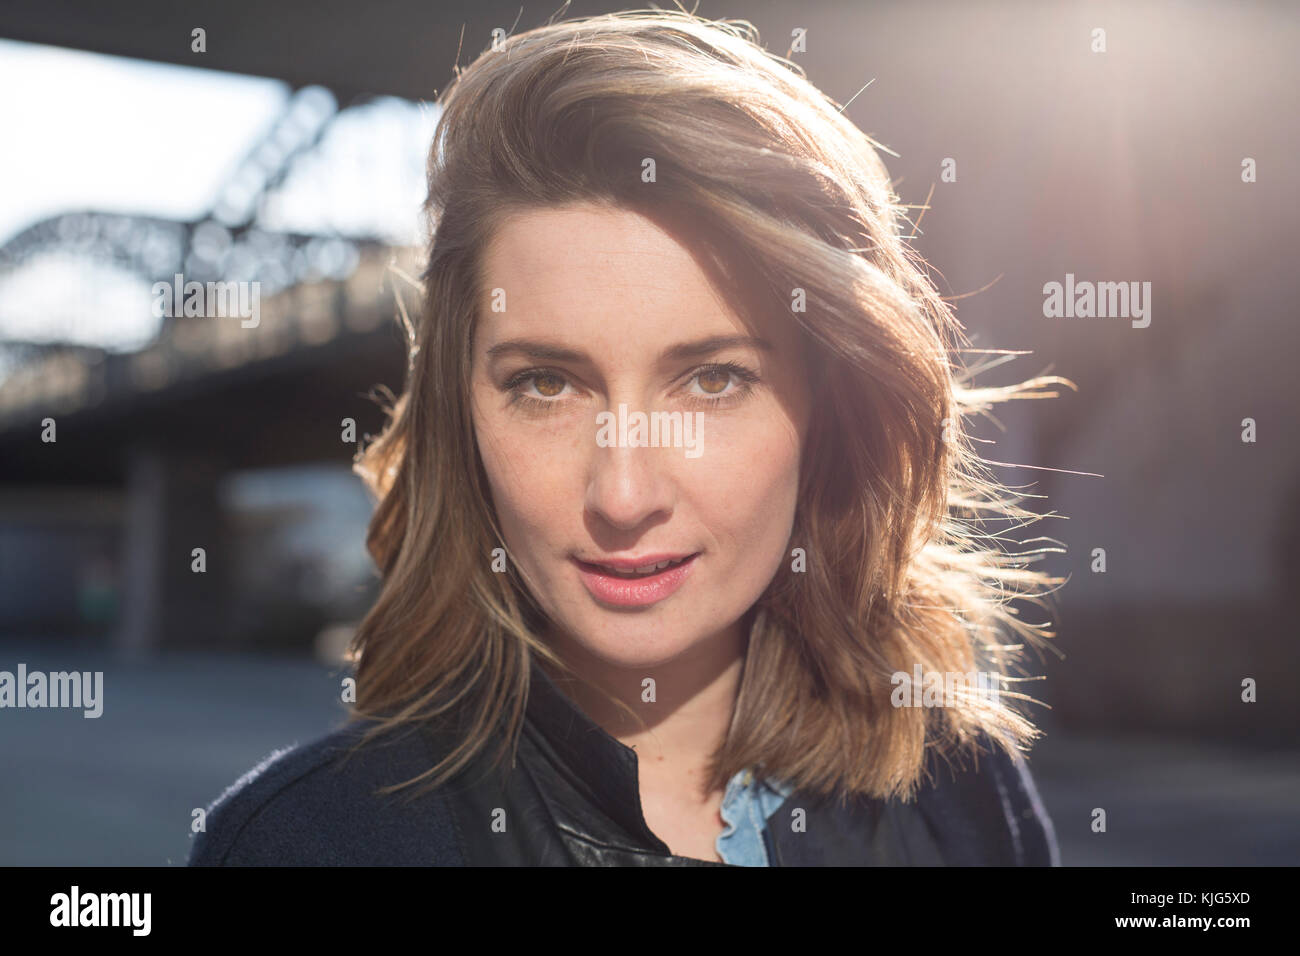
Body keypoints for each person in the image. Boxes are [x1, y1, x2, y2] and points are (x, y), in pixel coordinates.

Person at [190, 8, 1064, 867]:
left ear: (829, 409)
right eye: (546, 383)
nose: (622, 495)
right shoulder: (308, 846)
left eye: (714, 379)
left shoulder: (959, 792)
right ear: (464, 418)